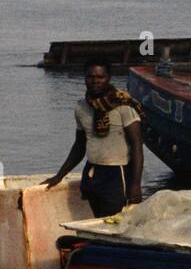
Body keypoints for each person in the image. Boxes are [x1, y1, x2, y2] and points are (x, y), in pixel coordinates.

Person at [43, 57, 144, 217]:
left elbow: (137, 146)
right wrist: (59, 175)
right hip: (92, 172)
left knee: (115, 221)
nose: (95, 81)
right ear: (85, 78)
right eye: (90, 77)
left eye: (100, 77)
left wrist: (136, 185)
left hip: (117, 173)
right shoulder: (81, 107)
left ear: (108, 78)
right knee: (98, 219)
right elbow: (79, 145)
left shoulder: (124, 106)